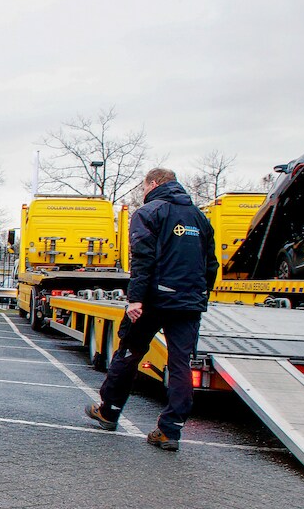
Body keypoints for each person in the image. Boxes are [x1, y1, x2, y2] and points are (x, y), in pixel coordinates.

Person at [85, 168, 218, 451]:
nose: (143, 191)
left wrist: (135, 299)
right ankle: (170, 431)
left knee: (130, 353)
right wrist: (200, 295)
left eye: (144, 186)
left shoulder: (149, 213)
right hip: (188, 303)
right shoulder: (200, 218)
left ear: (154, 183)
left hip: (153, 301)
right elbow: (211, 264)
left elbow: (142, 258)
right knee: (181, 363)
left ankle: (109, 410)